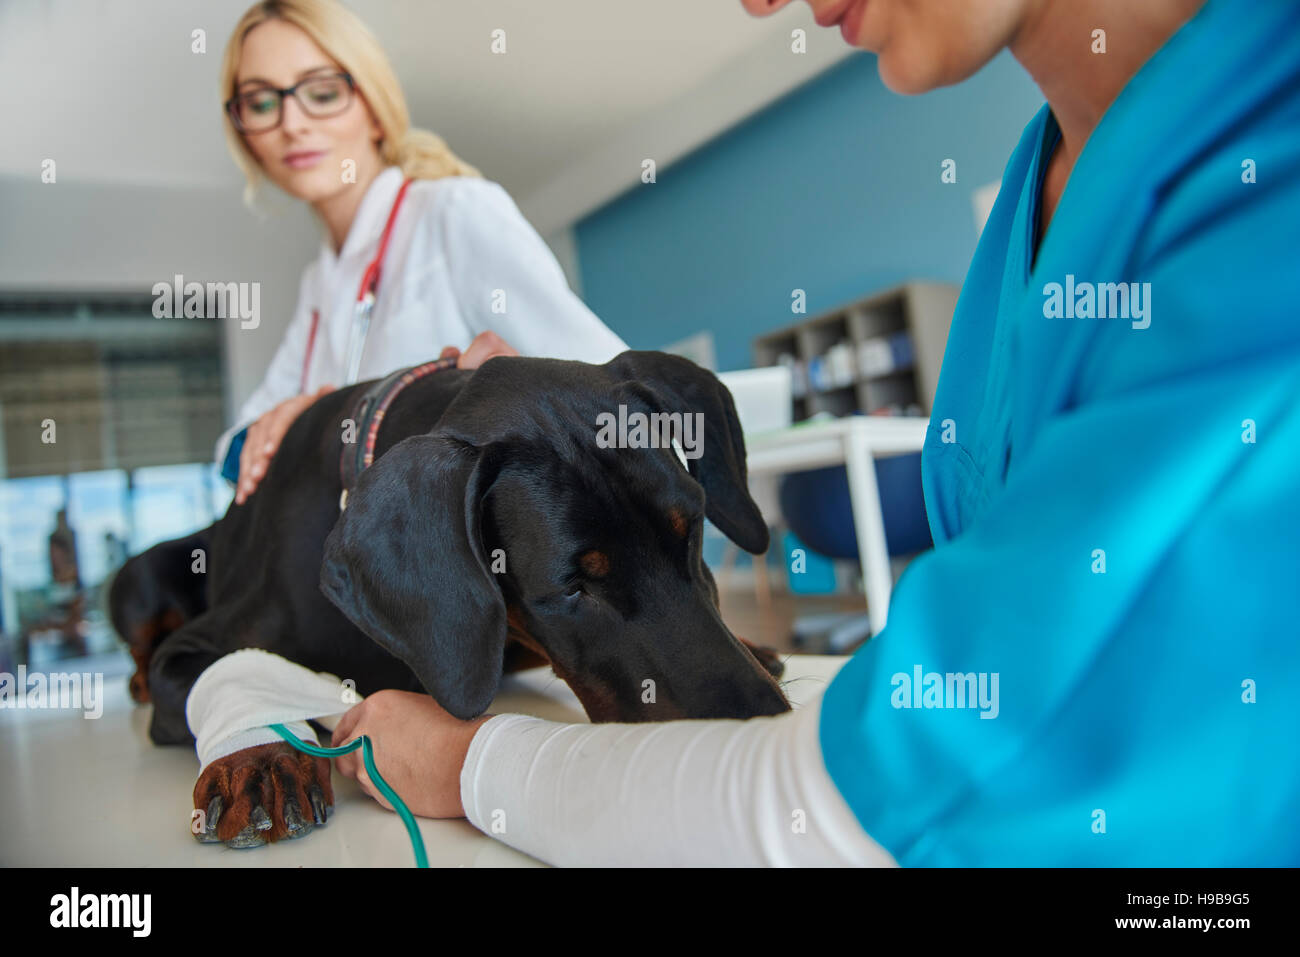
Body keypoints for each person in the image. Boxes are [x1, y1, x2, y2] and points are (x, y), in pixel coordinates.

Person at [329, 0, 1300, 866]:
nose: (761, 3)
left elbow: (865, 812)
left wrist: (470, 767)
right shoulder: (1031, 196)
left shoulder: (1268, 194)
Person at [214, 0, 627, 502]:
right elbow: (235, 454)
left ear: (374, 109)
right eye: (260, 102)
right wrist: (304, 420)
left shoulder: (454, 210)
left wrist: (516, 399)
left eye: (322, 93)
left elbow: (614, 401)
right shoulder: (320, 280)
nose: (291, 123)